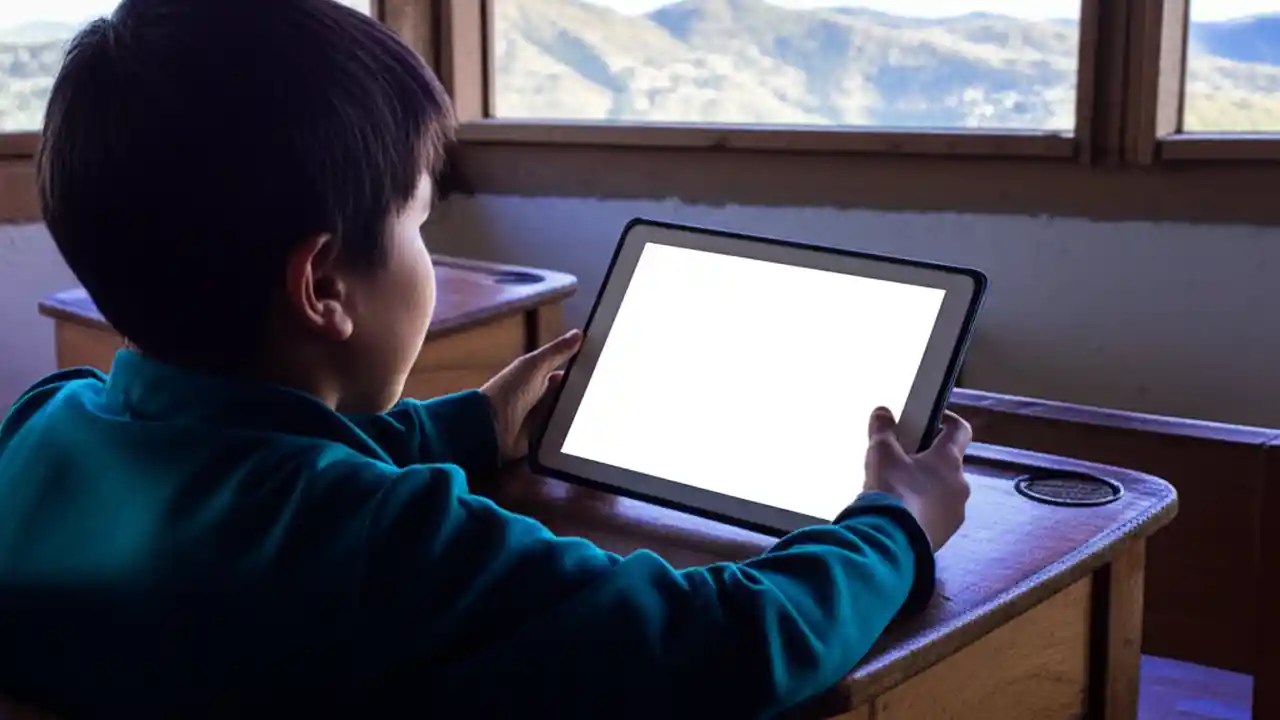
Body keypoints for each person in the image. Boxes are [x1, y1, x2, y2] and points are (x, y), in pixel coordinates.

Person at [0, 0, 973, 716]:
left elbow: (247, 462)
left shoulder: (46, 429)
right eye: (420, 223)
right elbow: (725, 646)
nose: (426, 253)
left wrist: (466, 424)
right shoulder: (381, 539)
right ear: (323, 287)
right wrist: (894, 523)